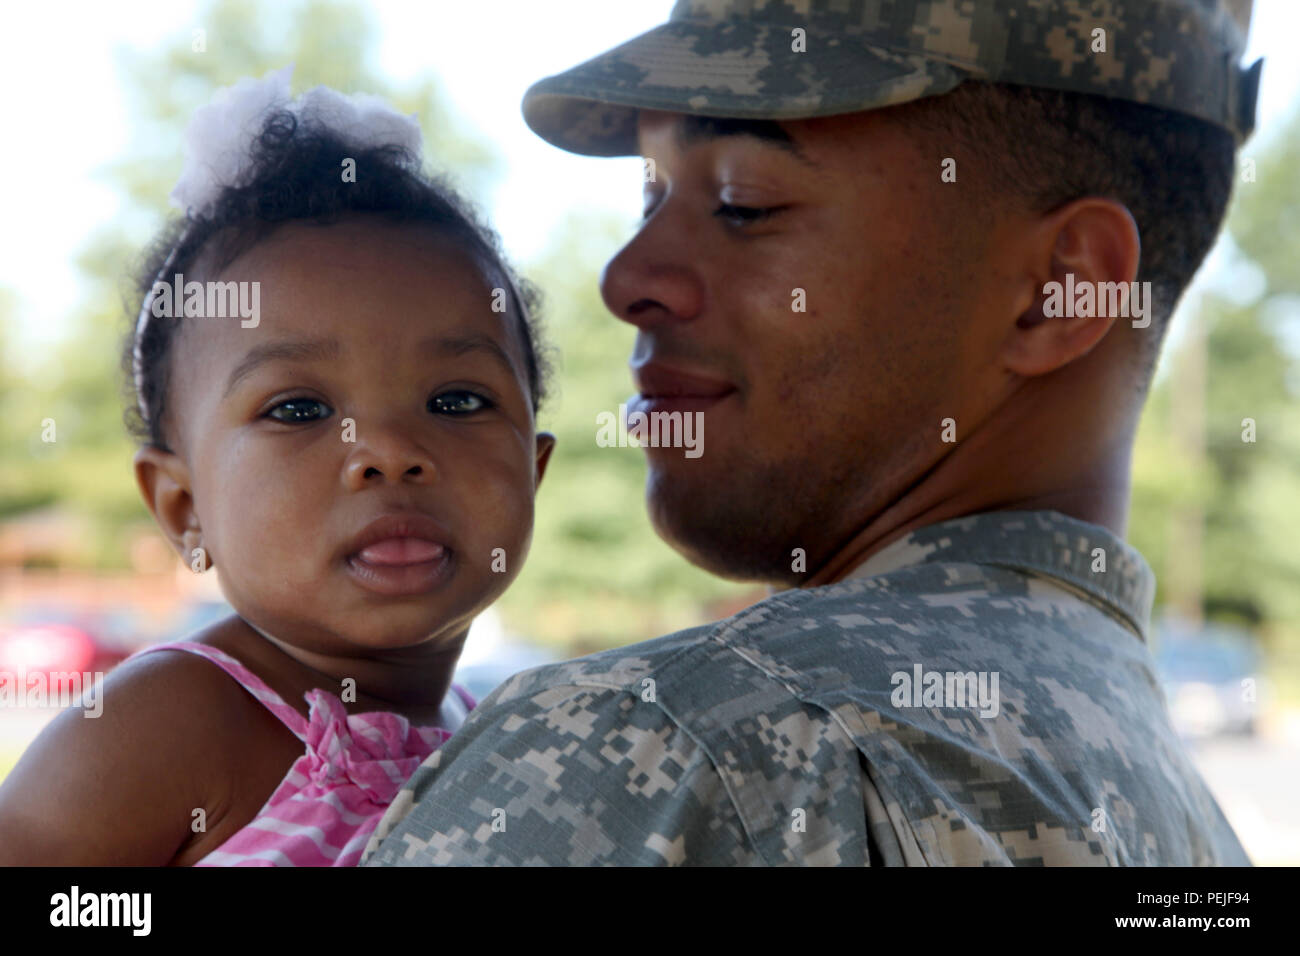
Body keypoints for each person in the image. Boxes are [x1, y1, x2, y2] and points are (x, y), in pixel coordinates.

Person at [363, 0, 1262, 866]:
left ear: (1056, 292)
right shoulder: (1181, 817)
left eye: (744, 204)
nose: (627, 276)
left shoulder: (667, 746)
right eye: (651, 194)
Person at [0, 67, 556, 866]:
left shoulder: (499, 736)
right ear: (184, 509)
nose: (390, 452)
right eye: (299, 410)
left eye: (458, 401)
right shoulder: (170, 724)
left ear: (533, 470)